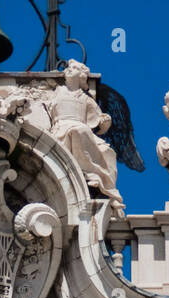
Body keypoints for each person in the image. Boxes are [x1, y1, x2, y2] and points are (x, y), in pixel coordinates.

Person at [44, 60, 124, 213]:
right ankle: (90, 174)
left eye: (73, 68)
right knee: (78, 131)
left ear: (81, 76)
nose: (68, 70)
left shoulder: (85, 99)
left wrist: (105, 121)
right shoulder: (58, 91)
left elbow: (97, 120)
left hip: (80, 127)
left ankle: (98, 179)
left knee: (107, 152)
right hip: (62, 128)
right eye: (68, 68)